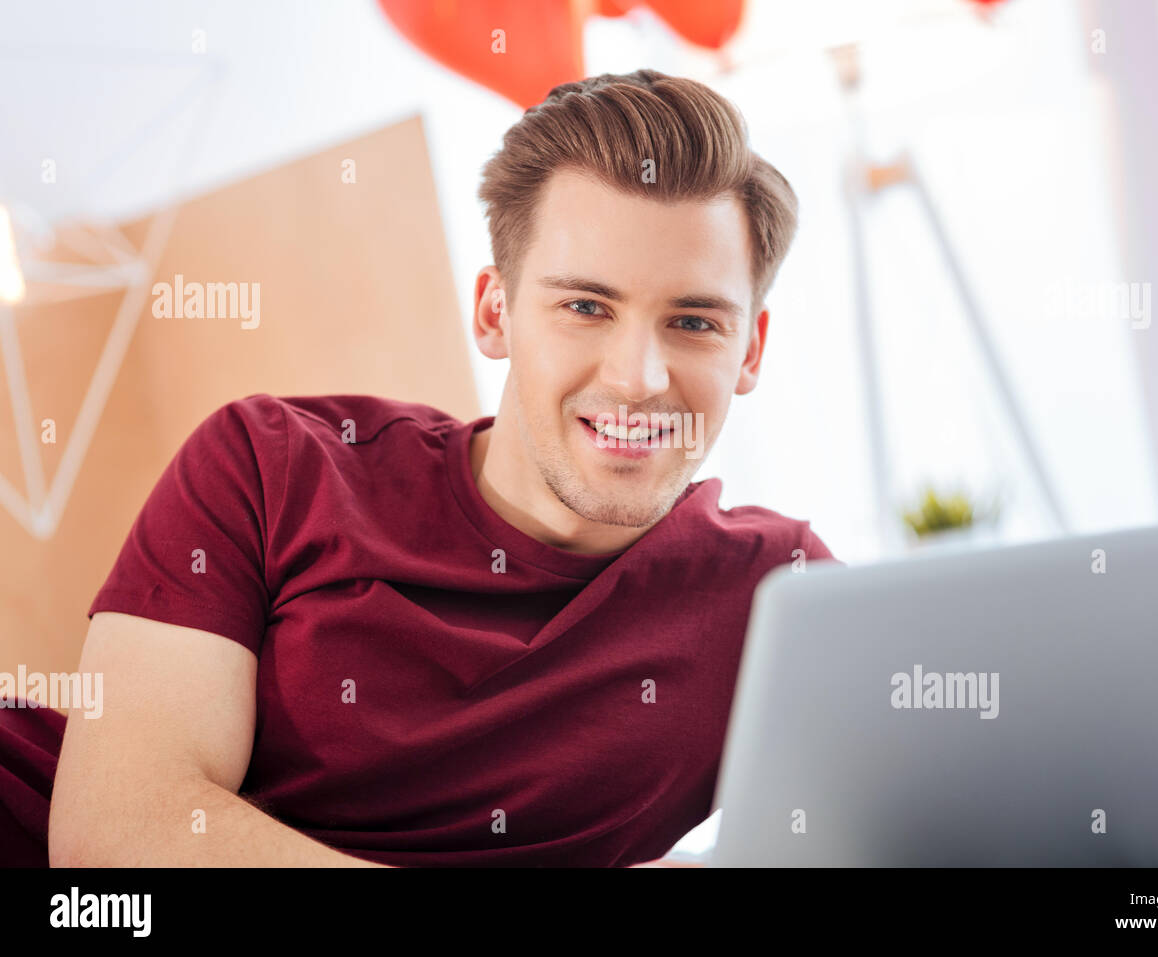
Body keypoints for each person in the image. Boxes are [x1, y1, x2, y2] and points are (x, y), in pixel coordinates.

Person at [0, 68, 836, 867]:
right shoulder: (270, 464)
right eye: (586, 306)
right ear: (495, 312)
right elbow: (118, 834)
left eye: (693, 322)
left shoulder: (781, 594)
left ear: (751, 348)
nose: (638, 378)